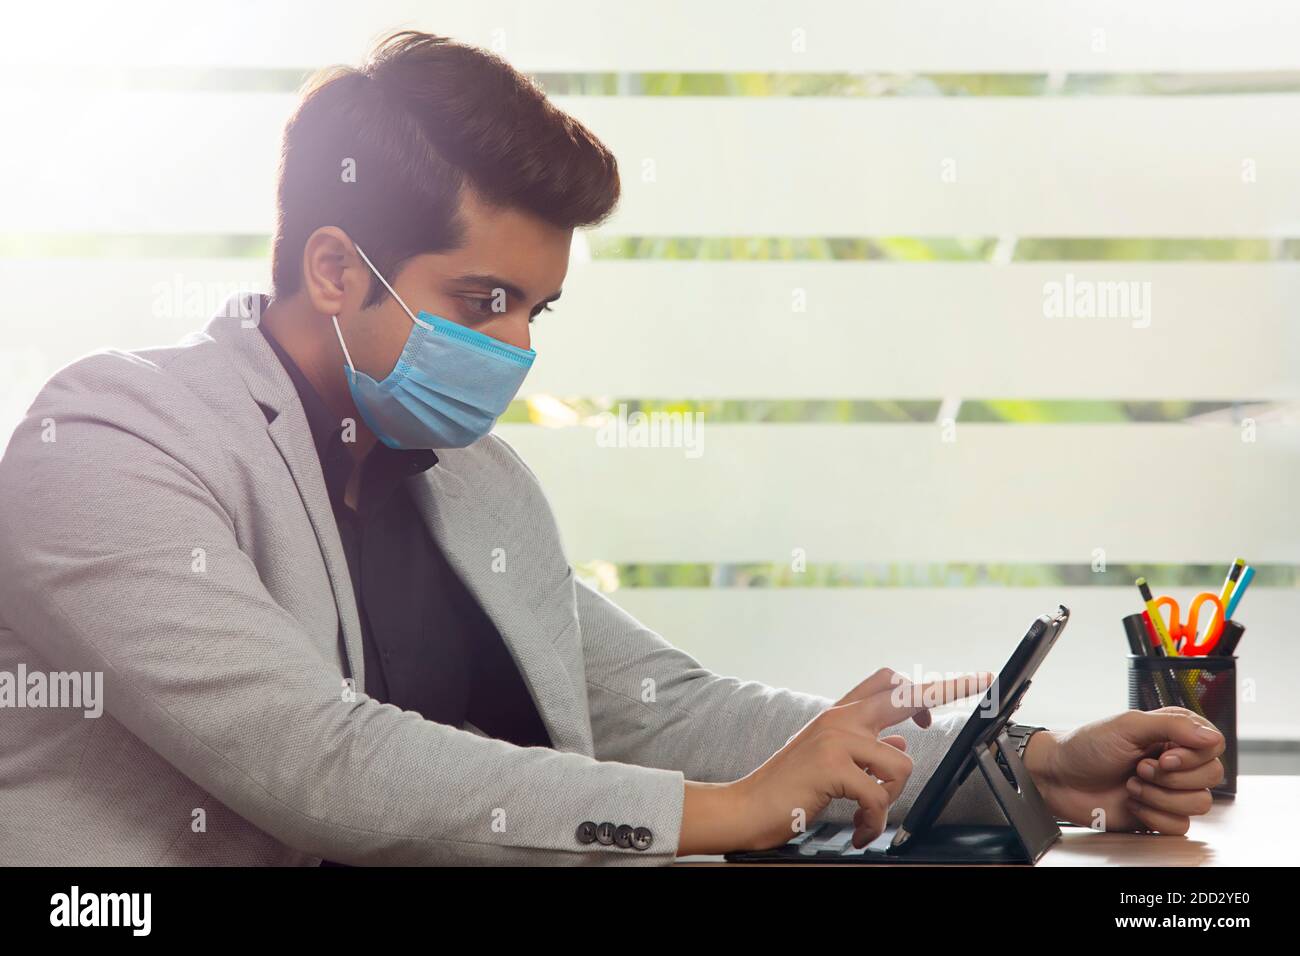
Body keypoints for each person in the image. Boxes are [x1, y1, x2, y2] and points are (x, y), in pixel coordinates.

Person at [0, 32, 1223, 865]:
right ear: (333, 267)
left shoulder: (476, 480)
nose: (518, 346)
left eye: (538, 310)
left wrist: (1037, 762)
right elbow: (313, 756)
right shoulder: (108, 440)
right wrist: (721, 812)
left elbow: (665, 707)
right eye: (482, 300)